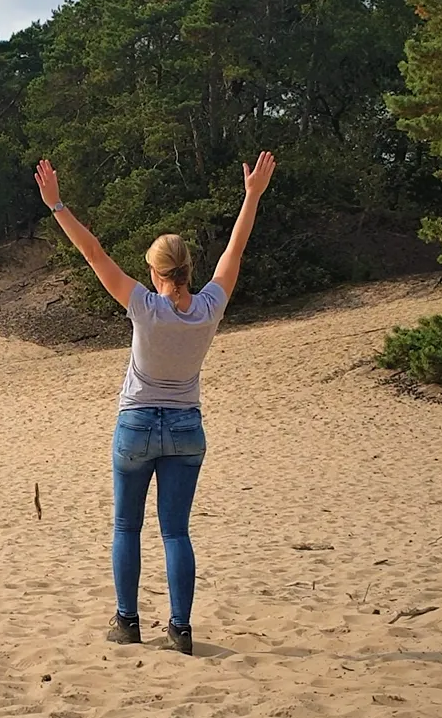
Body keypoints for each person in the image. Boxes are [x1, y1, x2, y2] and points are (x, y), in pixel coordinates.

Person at [34, 152, 277, 654]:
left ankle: (127, 621)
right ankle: (180, 629)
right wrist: (251, 196)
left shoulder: (144, 306)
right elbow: (236, 249)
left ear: (154, 270)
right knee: (176, 533)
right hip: (186, 428)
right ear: (188, 268)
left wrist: (56, 205)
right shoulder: (209, 308)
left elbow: (94, 253)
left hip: (137, 424)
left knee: (127, 526)